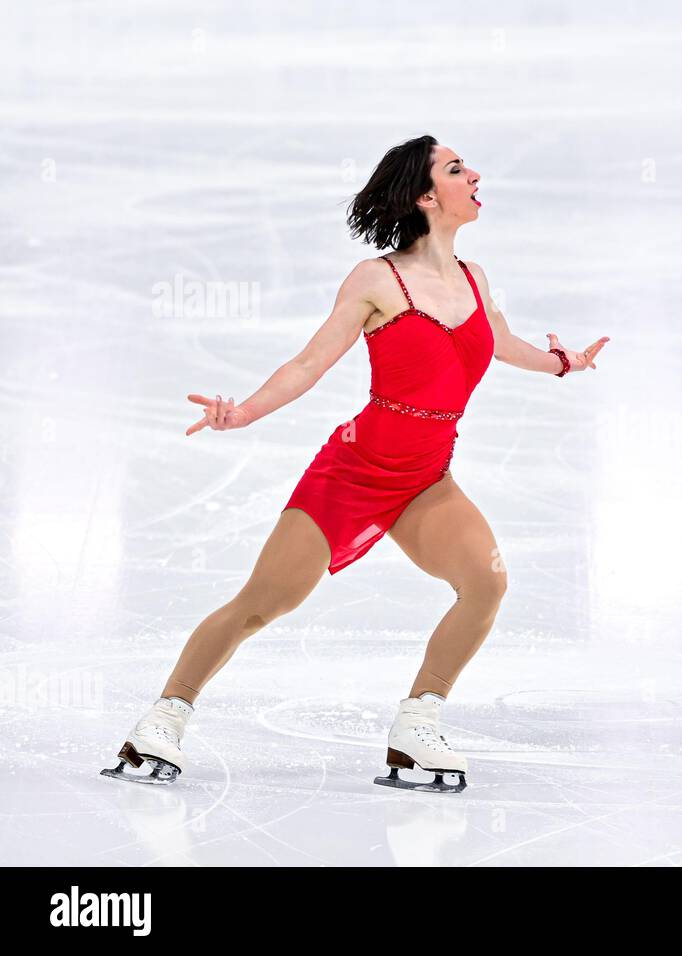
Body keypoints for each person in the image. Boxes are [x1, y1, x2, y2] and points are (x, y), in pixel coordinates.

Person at [102, 134, 610, 789]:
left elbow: (503, 342)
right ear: (427, 196)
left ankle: (417, 725)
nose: (476, 174)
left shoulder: (476, 279)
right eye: (458, 169)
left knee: (487, 582)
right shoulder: (379, 280)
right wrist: (244, 413)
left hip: (427, 480)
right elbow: (311, 362)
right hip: (353, 473)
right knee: (262, 603)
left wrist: (565, 363)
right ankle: (164, 718)